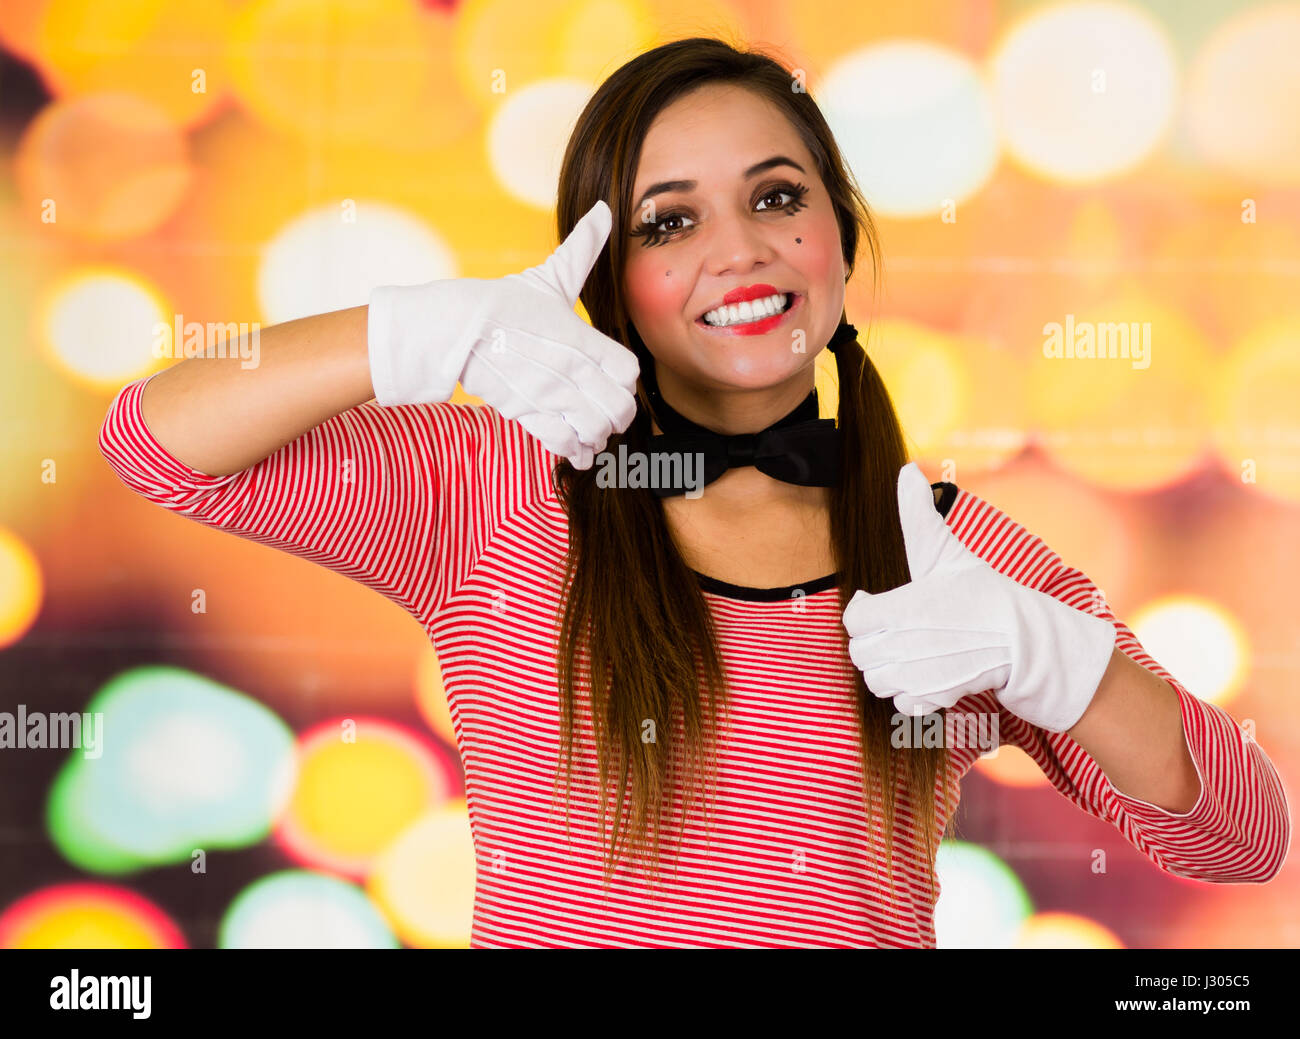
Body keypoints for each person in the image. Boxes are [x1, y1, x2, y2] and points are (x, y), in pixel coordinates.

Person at [99, 37, 1289, 948]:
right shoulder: (494, 491)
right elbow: (154, 442)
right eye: (671, 221)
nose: (740, 251)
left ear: (837, 233)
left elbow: (1245, 835)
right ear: (607, 277)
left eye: (777, 198)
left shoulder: (948, 553)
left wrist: (1056, 655)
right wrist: (413, 333)